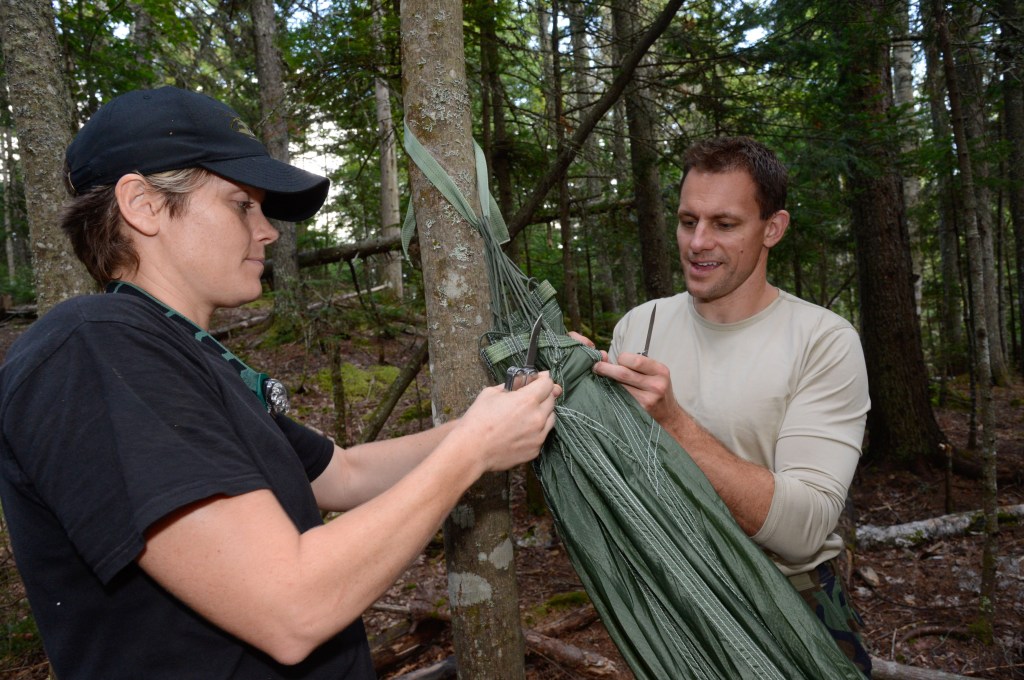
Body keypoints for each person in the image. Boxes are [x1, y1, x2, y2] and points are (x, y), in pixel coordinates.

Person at [0, 86, 560, 679]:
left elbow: (346, 474)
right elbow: (291, 605)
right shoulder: (94, 348)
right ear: (142, 205)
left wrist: (503, 410)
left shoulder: (187, 357)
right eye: (242, 205)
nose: (267, 231)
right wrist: (471, 451)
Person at [581, 136, 872, 676]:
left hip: (790, 605)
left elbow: (804, 529)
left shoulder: (822, 340)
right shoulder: (641, 324)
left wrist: (674, 424)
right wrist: (576, 387)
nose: (698, 242)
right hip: (672, 601)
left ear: (773, 228)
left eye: (725, 223)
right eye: (687, 221)